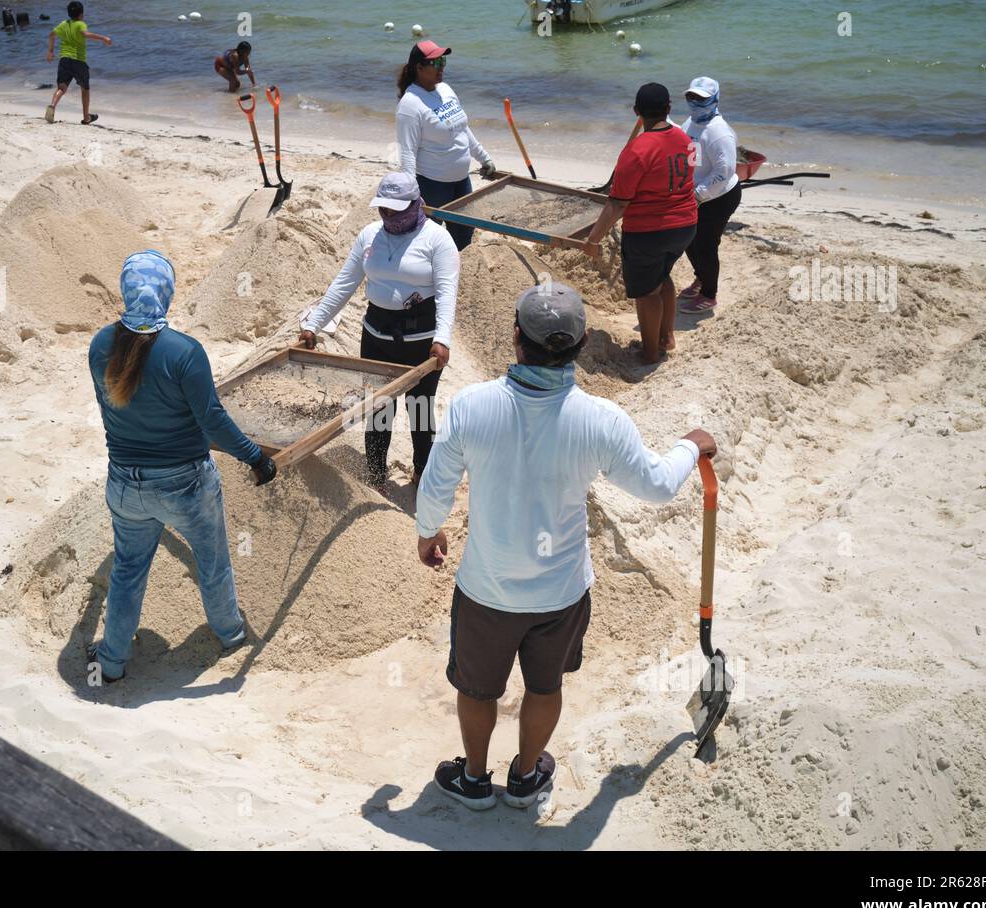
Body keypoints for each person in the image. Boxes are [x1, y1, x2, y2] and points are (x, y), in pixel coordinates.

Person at [415, 281, 716, 810]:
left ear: (516, 337)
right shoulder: (601, 421)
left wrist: (429, 530)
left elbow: (437, 483)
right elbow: (657, 485)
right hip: (560, 594)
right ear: (578, 347)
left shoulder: (471, 405)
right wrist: (690, 446)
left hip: (487, 588)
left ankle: (475, 781)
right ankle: (527, 776)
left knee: (476, 688)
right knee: (545, 686)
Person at [87, 251, 277, 683]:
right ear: (167, 295)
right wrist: (255, 457)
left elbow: (112, 409)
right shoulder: (184, 352)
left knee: (128, 570)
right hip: (184, 485)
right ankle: (230, 635)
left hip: (123, 484)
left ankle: (112, 661)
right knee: (211, 561)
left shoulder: (100, 345)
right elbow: (211, 419)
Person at [298, 171, 459, 489]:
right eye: (383, 209)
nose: (388, 215)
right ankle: (375, 476)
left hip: (419, 342)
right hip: (375, 337)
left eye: (396, 209)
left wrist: (441, 339)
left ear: (416, 204)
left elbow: (447, 292)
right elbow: (344, 284)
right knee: (378, 410)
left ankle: (421, 472)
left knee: (420, 408)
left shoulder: (438, 240)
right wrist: (313, 325)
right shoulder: (369, 235)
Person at [586, 82, 698, 365]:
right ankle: (666, 337)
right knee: (663, 277)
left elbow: (618, 203)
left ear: (637, 113)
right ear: (669, 109)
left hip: (650, 232)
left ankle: (650, 353)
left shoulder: (636, 151)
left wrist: (593, 239)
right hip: (686, 225)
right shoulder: (687, 140)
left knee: (647, 293)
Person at [395, 40, 495, 251]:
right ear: (419, 67)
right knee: (426, 245)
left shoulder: (446, 90)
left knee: (464, 243)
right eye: (435, 62)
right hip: (432, 186)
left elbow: (462, 129)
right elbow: (407, 152)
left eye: (443, 60)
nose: (441, 66)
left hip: (462, 182)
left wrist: (484, 158)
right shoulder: (410, 104)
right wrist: (412, 193)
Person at [678, 76, 740, 314]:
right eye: (691, 96)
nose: (695, 102)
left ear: (714, 100)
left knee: (705, 245)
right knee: (687, 241)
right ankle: (701, 277)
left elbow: (724, 172)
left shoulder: (719, 132)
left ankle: (709, 295)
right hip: (694, 195)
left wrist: (699, 195)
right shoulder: (690, 122)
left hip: (719, 198)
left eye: (701, 98)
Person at [45, 0, 111, 126]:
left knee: (61, 88)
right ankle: (86, 117)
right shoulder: (80, 24)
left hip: (64, 60)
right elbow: (86, 34)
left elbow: (51, 35)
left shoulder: (63, 24)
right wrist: (104, 38)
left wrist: (50, 51)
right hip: (78, 61)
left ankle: (52, 106)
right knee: (85, 88)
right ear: (81, 14)